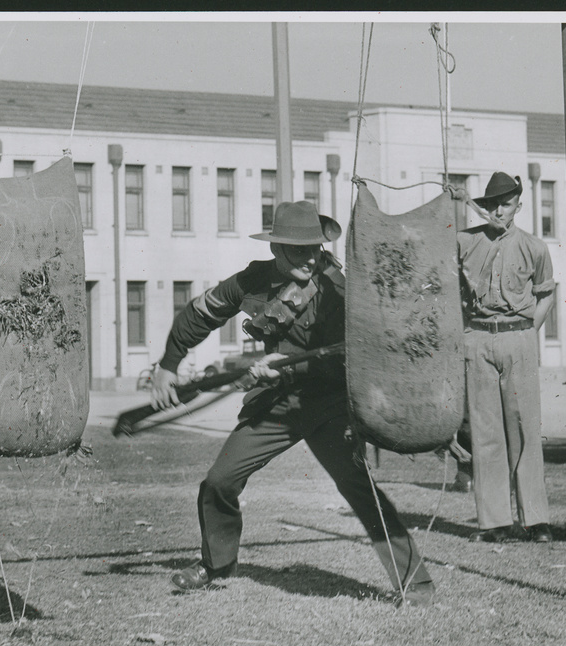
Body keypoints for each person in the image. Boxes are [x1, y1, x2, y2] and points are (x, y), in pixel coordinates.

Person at [150, 201, 435, 607]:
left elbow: (348, 358)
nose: (310, 258)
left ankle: (416, 584)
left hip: (328, 403)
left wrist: (283, 368)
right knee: (219, 482)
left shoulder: (337, 287)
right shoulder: (252, 279)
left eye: (315, 248)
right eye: (299, 251)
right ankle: (217, 565)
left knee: (359, 489)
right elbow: (201, 314)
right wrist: (168, 365)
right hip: (276, 404)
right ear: (276, 251)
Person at [457, 172, 555, 544]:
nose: (498, 210)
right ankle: (495, 522)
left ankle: (535, 520)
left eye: (506, 203)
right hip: (478, 339)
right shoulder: (465, 242)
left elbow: (546, 293)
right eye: (492, 204)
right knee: (485, 433)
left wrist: (530, 330)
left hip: (518, 340)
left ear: (518, 204)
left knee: (525, 430)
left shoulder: (534, 247)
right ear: (484, 206)